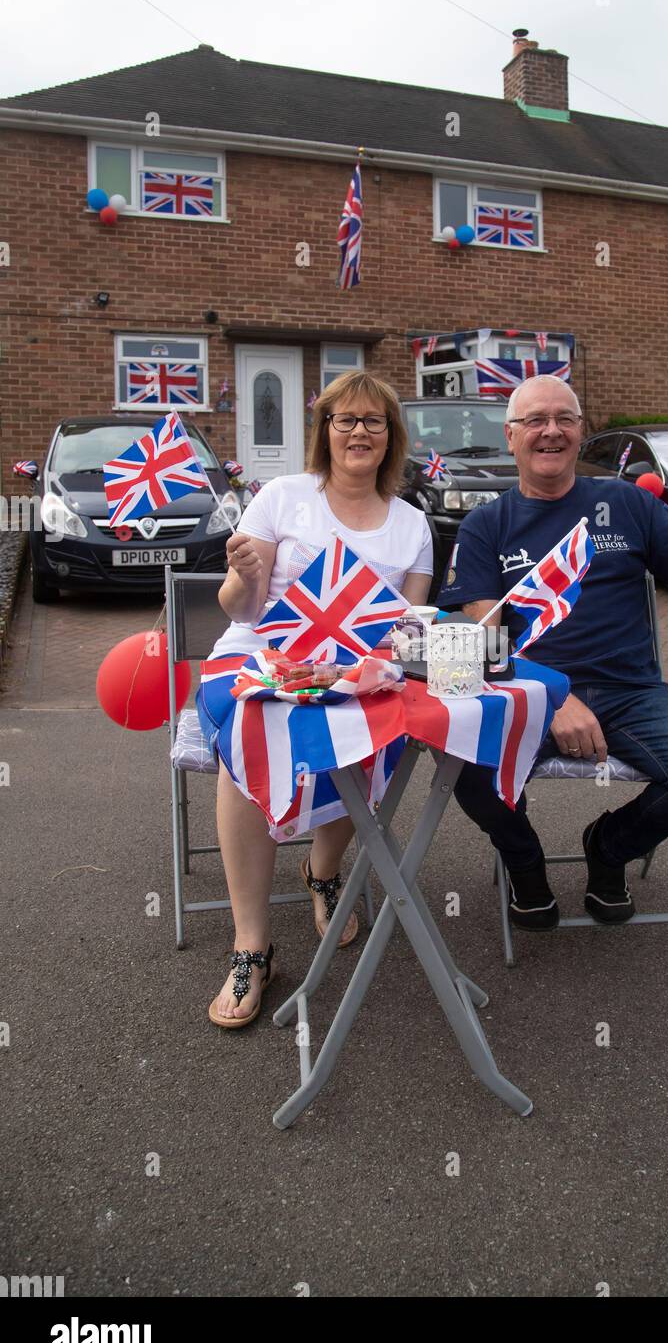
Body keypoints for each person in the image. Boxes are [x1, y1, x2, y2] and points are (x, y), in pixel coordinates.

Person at [438, 374, 668, 931]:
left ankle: (608, 848)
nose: (550, 431)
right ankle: (524, 863)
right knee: (463, 768)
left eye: (565, 419)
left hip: (631, 692)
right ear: (511, 437)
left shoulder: (626, 502)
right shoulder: (487, 525)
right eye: (535, 420)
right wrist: (552, 696)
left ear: (582, 432)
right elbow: (480, 637)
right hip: (527, 692)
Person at [203, 371, 434, 1026]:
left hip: (355, 669)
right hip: (259, 654)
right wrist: (246, 577)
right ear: (325, 431)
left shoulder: (413, 526)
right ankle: (253, 945)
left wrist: (370, 667)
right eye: (345, 420)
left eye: (374, 421)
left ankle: (323, 871)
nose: (359, 431)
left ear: (391, 437)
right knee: (252, 722)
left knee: (372, 728)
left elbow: (407, 633)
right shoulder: (282, 496)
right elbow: (239, 608)